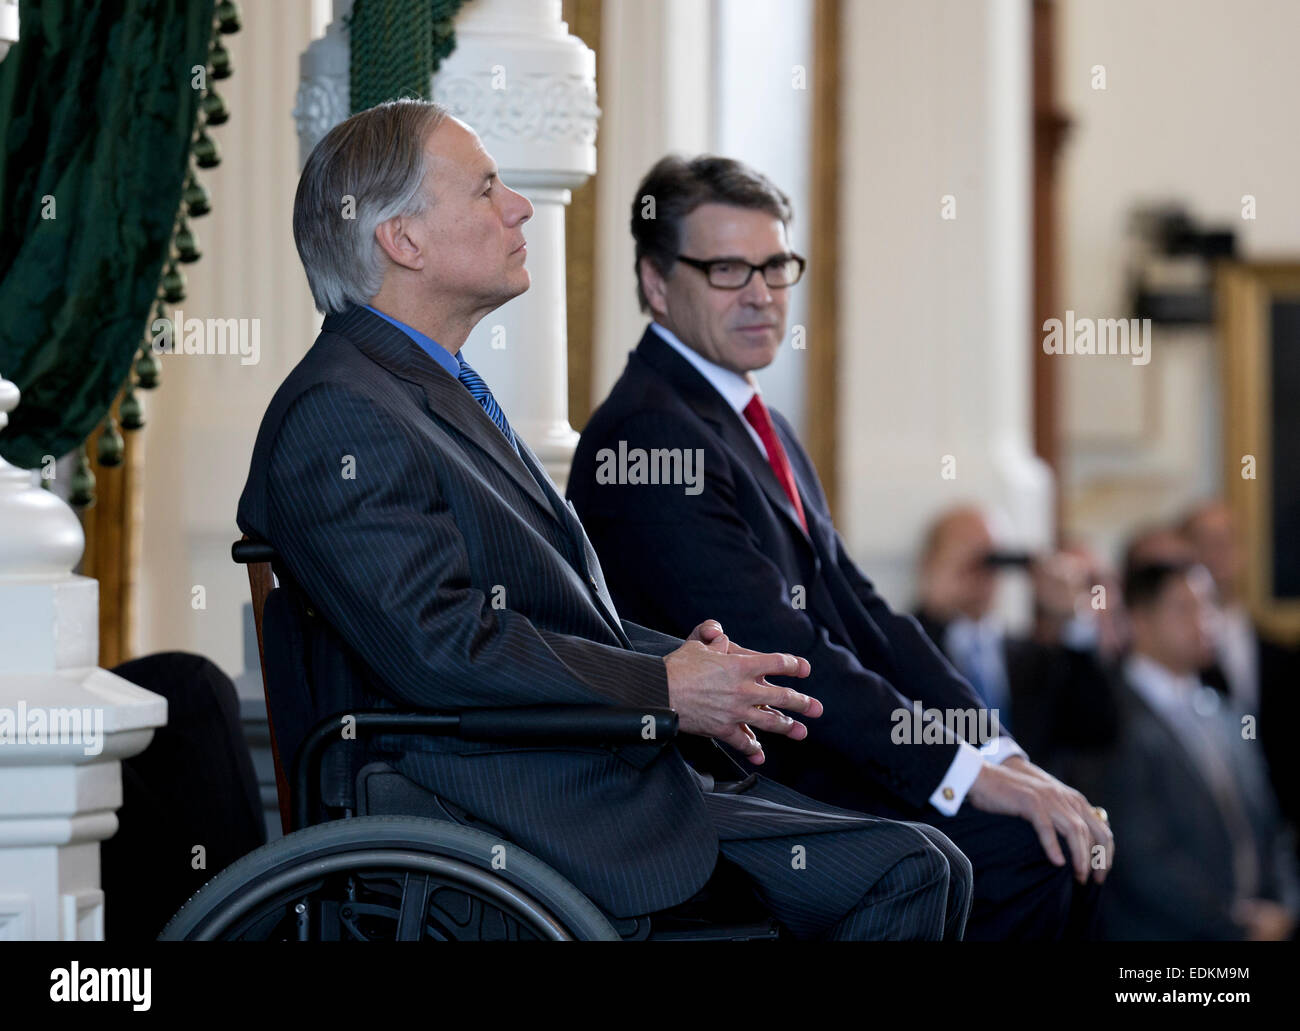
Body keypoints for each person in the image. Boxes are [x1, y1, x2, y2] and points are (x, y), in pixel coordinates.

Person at [236, 100, 971, 940]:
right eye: (484, 189)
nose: (519, 206)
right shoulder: (341, 410)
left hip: (579, 775)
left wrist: (697, 668)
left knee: (934, 859)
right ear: (403, 240)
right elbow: (442, 647)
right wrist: (664, 687)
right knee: (909, 869)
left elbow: (537, 619)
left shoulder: (421, 388)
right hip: (504, 811)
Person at [567, 153, 1110, 940]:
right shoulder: (650, 431)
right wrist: (965, 778)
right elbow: (786, 651)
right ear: (656, 283)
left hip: (819, 766)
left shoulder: (756, 418)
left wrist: (997, 752)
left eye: (775, 265)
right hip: (739, 794)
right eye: (727, 269)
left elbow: (871, 617)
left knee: (1063, 822)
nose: (761, 294)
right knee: (1035, 847)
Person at [1063, 558, 1299, 940]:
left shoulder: (1226, 712)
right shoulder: (1110, 717)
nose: (1205, 620)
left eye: (1208, 605)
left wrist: (1285, 909)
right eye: (1185, 608)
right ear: (1139, 620)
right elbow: (1140, 857)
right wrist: (1235, 926)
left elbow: (1271, 826)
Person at [913, 505, 1118, 765]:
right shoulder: (905, 647)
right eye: (964, 558)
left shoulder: (1034, 659)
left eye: (990, 560)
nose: (979, 575)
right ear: (929, 563)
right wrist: (936, 602)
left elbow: (1097, 732)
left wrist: (1073, 619)